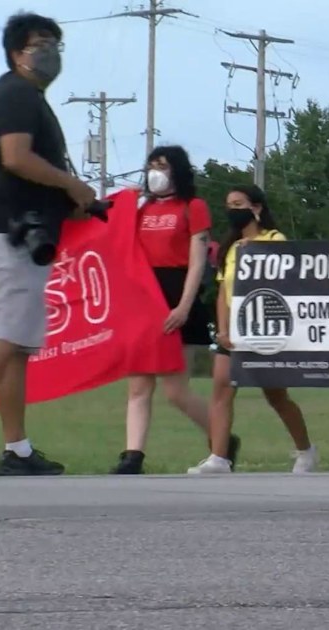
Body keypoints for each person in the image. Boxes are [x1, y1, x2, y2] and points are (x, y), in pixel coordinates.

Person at [0, 13, 96, 475]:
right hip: (8, 229)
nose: (49, 52)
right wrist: (71, 184)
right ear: (17, 53)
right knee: (6, 333)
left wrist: (71, 203)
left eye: (55, 44)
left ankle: (19, 451)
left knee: (16, 343)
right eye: (39, 44)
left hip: (19, 231)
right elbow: (15, 157)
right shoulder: (15, 94)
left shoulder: (27, 97)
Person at [112, 145, 228, 475]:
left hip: (180, 295)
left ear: (177, 169)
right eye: (151, 166)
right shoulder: (143, 208)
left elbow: (197, 261)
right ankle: (132, 456)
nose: (155, 172)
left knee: (176, 390)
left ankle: (221, 440)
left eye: (162, 166)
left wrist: (184, 306)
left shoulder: (193, 207)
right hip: (145, 299)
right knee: (138, 386)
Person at [187, 185, 317, 474]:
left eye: (239, 204)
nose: (232, 210)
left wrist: (257, 251)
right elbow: (224, 291)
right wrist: (222, 330)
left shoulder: (274, 239)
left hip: (263, 328)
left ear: (256, 208)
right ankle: (219, 457)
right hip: (234, 329)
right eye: (229, 205)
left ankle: (306, 449)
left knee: (276, 395)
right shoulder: (231, 247)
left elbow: (284, 274)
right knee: (221, 388)